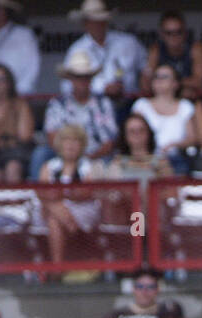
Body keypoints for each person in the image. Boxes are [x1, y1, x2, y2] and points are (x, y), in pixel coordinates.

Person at [38, 51, 118, 177]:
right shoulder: (57, 104)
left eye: (85, 77)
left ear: (91, 79)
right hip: (64, 154)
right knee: (41, 154)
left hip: (96, 156)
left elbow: (110, 141)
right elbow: (52, 136)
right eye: (77, 77)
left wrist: (88, 157)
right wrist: (69, 155)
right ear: (70, 79)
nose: (82, 81)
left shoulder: (103, 103)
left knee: (107, 165)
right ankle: (37, 194)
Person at [39, 123, 102, 270]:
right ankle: (72, 230)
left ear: (82, 145)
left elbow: (85, 192)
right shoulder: (49, 166)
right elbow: (42, 192)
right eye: (67, 140)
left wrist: (59, 195)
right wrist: (65, 194)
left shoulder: (89, 166)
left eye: (75, 141)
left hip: (81, 209)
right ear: (60, 144)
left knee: (54, 217)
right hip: (51, 209)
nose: (70, 145)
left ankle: (57, 268)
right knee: (53, 211)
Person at [62, 0, 144, 102]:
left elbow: (146, 69)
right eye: (92, 21)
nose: (97, 25)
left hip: (128, 102)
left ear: (107, 21)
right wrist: (102, 89)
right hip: (94, 106)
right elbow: (67, 87)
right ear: (84, 23)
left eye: (101, 20)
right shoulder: (77, 49)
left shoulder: (128, 42)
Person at [132, 63, 196, 176]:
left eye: (164, 76)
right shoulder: (141, 105)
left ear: (175, 83)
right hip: (145, 159)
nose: (159, 80)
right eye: (156, 76)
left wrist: (174, 145)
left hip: (175, 159)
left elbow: (192, 138)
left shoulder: (185, 106)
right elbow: (132, 132)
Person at [140, 10, 202, 101]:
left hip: (191, 99)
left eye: (178, 32)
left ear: (185, 32)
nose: (174, 37)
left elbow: (200, 82)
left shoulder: (195, 48)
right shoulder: (156, 50)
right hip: (163, 99)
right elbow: (146, 85)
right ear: (161, 34)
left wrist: (167, 82)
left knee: (187, 93)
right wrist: (173, 84)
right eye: (169, 33)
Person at [105, 111, 172, 180]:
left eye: (141, 130)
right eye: (132, 131)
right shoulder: (117, 162)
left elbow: (168, 187)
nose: (137, 135)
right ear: (125, 136)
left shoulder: (161, 163)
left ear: (148, 133)